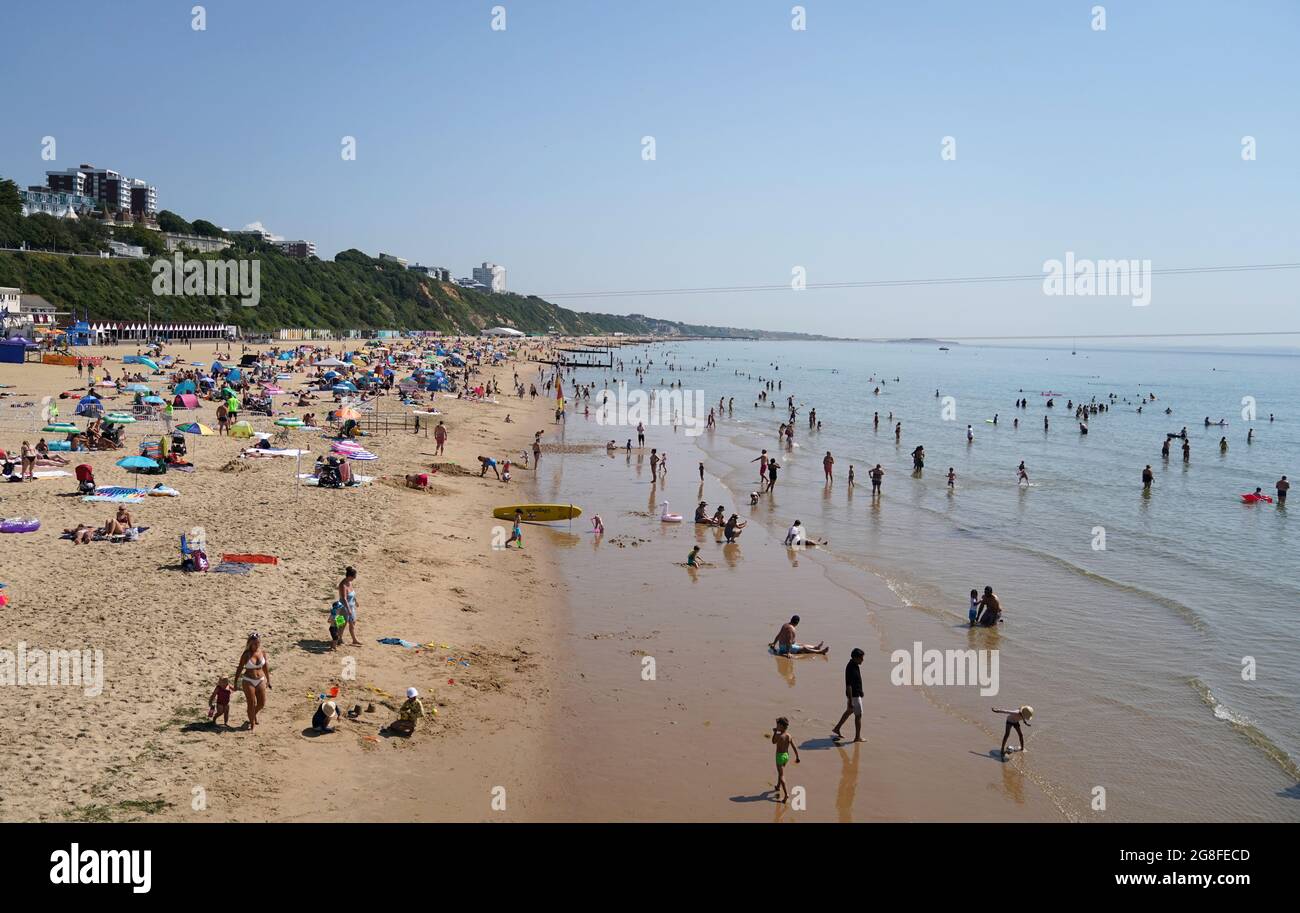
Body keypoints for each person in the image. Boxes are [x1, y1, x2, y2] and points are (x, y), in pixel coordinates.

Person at [232, 632, 271, 732]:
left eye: (258, 643)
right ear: (250, 643)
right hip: (248, 680)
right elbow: (239, 668)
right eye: (254, 643)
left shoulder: (262, 652)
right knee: (251, 703)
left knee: (262, 703)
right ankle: (252, 723)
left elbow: (265, 666)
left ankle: (253, 714)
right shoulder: (246, 655)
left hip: (260, 679)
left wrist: (268, 680)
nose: (256, 645)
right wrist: (235, 682)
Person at [831, 648, 866, 743]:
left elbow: (856, 681)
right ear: (855, 658)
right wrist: (850, 700)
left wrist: (861, 691)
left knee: (849, 711)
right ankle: (857, 737)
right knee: (858, 716)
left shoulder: (854, 665)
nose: (862, 660)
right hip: (854, 696)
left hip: (855, 694)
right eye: (861, 658)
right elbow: (849, 686)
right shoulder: (851, 667)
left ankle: (837, 728)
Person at [770, 717, 801, 803]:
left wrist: (775, 732)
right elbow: (794, 747)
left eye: (777, 725)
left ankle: (786, 794)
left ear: (781, 726)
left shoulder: (779, 735)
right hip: (786, 756)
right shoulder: (788, 735)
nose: (776, 726)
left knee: (781, 775)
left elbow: (773, 741)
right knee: (781, 772)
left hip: (779, 757)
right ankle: (778, 786)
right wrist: (797, 757)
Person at [337, 567, 361, 645]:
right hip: (343, 608)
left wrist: (356, 601)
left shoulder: (349, 582)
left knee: (352, 623)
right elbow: (344, 599)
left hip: (351, 606)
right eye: (353, 577)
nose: (354, 578)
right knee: (341, 624)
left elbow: (352, 593)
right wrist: (348, 609)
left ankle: (354, 639)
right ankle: (338, 639)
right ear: (349, 576)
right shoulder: (342, 585)